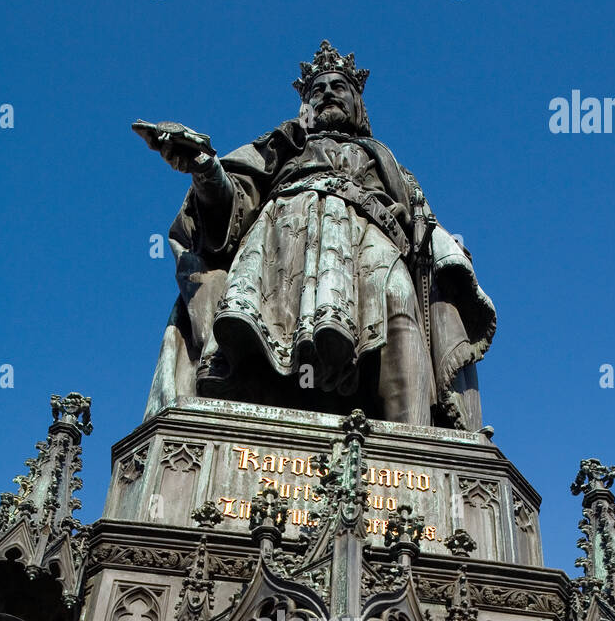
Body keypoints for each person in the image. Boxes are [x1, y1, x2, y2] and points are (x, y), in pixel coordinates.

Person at [137, 42, 496, 428]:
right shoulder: (284, 145)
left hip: (370, 237)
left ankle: (416, 450)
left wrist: (444, 246)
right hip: (283, 239)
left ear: (358, 103)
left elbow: (421, 222)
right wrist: (206, 169)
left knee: (400, 302)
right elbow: (230, 206)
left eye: (338, 87)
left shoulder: (387, 162)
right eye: (317, 89)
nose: (327, 93)